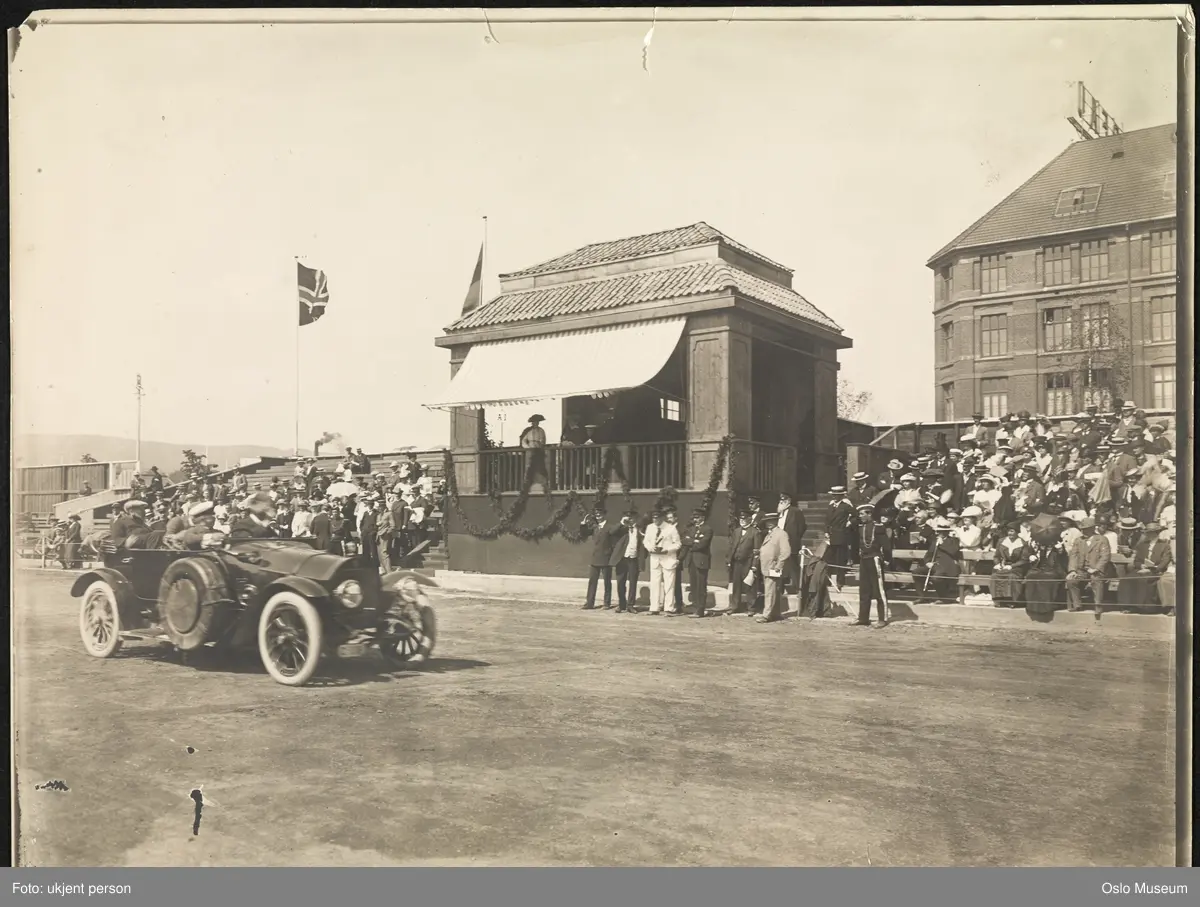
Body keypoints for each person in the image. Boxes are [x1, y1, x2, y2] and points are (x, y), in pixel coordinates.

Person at [854, 502, 892, 627]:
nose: (860, 516)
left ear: (869, 514)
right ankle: (863, 618)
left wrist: (887, 559)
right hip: (864, 559)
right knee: (864, 590)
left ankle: (883, 618)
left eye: (862, 514)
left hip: (875, 559)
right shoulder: (860, 527)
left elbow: (886, 546)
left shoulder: (878, 527)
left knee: (879, 590)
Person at [1065, 516, 1111, 619]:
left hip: (1097, 570)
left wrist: (1096, 568)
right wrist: (1072, 570)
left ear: (1092, 528)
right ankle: (1077, 605)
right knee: (1071, 580)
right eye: (1082, 529)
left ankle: (1098, 606)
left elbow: (1105, 556)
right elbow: (1073, 555)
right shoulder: (1078, 540)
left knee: (1096, 579)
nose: (1083, 531)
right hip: (1082, 570)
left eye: (1086, 529)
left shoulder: (1102, 539)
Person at [641, 509, 681, 616]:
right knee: (654, 583)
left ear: (662, 518)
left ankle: (669, 608)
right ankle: (654, 607)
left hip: (668, 558)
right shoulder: (650, 527)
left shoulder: (671, 528)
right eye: (653, 518)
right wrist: (650, 548)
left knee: (669, 584)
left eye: (657, 518)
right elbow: (646, 541)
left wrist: (667, 549)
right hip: (655, 558)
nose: (655, 520)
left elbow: (678, 544)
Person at [581, 508, 622, 610]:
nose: (598, 517)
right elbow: (584, 533)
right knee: (592, 581)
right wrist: (583, 524)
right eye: (596, 515)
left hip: (606, 558)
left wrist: (621, 523)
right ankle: (589, 603)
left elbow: (614, 530)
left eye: (600, 514)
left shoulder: (609, 527)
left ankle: (606, 603)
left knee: (607, 582)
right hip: (595, 559)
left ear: (604, 515)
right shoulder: (595, 527)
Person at [1118, 522, 1165, 608]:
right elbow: (1137, 561)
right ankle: (1128, 606)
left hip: (1155, 571)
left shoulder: (1164, 545)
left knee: (1144, 580)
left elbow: (1164, 562)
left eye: (1151, 532)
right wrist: (1140, 566)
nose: (1149, 535)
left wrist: (1153, 569)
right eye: (1148, 533)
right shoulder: (1143, 545)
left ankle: (1145, 607)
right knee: (1126, 579)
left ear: (1156, 533)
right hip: (1142, 569)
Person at [756, 511, 791, 624]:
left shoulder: (781, 534)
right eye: (767, 522)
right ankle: (775, 613)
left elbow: (785, 551)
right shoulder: (769, 534)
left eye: (772, 521)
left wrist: (779, 565)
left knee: (770, 591)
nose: (769, 523)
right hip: (767, 567)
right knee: (773, 590)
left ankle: (766, 615)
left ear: (776, 521)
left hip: (773, 567)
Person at [912, 519, 960, 600]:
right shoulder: (935, 541)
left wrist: (942, 544)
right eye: (936, 531)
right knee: (917, 572)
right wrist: (927, 562)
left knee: (936, 577)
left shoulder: (954, 540)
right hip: (935, 565)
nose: (936, 533)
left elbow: (953, 552)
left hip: (947, 567)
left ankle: (942, 597)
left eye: (939, 531)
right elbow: (928, 555)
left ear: (946, 532)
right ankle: (921, 596)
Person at [775, 493, 806, 614]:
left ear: (789, 500)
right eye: (780, 499)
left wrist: (795, 538)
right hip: (779, 544)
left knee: (794, 567)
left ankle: (800, 590)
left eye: (784, 499)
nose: (782, 501)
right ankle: (780, 589)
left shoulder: (795, 512)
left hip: (791, 543)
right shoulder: (778, 512)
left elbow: (803, 526)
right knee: (780, 567)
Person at [726, 511, 760, 616]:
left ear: (750, 519)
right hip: (737, 562)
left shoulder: (755, 532)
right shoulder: (736, 531)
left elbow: (757, 550)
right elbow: (732, 546)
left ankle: (751, 607)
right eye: (741, 519)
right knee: (736, 585)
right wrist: (729, 560)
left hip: (748, 562)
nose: (742, 521)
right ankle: (735, 606)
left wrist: (754, 565)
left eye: (744, 519)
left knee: (750, 585)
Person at [824, 485, 855, 589]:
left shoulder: (845, 506)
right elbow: (827, 520)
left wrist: (849, 523)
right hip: (831, 535)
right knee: (828, 558)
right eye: (833, 495)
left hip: (841, 535)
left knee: (840, 559)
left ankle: (840, 581)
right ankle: (827, 580)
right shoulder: (831, 506)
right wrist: (826, 531)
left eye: (837, 495)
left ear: (841, 496)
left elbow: (856, 516)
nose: (835, 497)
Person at [991, 523, 1029, 607]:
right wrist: (998, 564)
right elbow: (996, 556)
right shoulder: (1001, 541)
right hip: (1003, 565)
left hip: (1017, 567)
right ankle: (999, 600)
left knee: (1011, 576)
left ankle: (1011, 601)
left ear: (1017, 532)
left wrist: (1012, 566)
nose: (1010, 533)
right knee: (995, 575)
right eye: (1008, 531)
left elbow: (1024, 560)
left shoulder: (1022, 543)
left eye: (1012, 531)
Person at [612, 510, 642, 613]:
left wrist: (642, 557)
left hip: (634, 559)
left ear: (635, 519)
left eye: (632, 518)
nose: (630, 520)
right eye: (628, 518)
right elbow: (612, 532)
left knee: (633, 582)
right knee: (620, 582)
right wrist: (622, 522)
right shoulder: (622, 529)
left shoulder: (640, 529)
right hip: (622, 559)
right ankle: (621, 604)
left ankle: (630, 605)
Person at [685, 509, 713, 618]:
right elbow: (684, 541)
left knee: (701, 586)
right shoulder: (692, 529)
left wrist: (691, 542)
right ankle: (695, 607)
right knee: (694, 585)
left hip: (701, 561)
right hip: (692, 560)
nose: (695, 520)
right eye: (694, 518)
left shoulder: (707, 529)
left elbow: (703, 544)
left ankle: (700, 610)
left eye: (697, 517)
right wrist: (694, 541)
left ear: (702, 517)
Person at [375, 499, 396, 573]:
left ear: (384, 507)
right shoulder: (378, 515)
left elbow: (393, 526)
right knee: (379, 553)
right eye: (378, 506)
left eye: (380, 506)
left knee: (384, 553)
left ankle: (389, 571)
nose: (379, 508)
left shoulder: (389, 514)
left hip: (385, 535)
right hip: (378, 535)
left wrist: (387, 532)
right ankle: (383, 569)